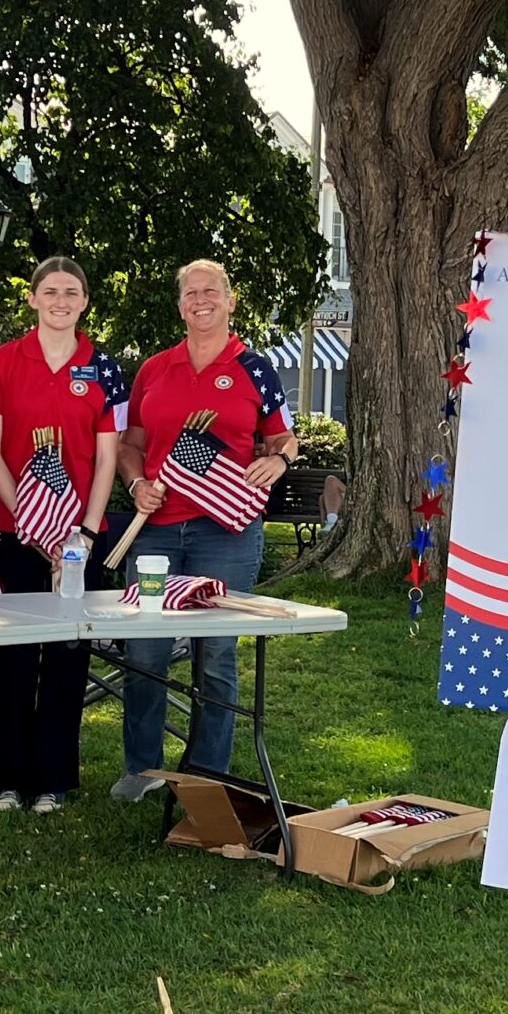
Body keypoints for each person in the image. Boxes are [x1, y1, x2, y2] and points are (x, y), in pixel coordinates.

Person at [113, 259, 297, 801]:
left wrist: (280, 463)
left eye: (211, 291)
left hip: (227, 532)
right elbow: (132, 446)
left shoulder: (255, 367)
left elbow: (283, 439)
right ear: (180, 305)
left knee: (215, 654)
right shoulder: (153, 369)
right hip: (155, 533)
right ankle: (141, 770)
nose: (200, 300)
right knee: (144, 651)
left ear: (231, 300)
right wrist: (135, 484)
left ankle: (206, 778)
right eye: (190, 292)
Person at [0, 256, 128, 814]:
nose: (61, 300)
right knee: (11, 655)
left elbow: (108, 457)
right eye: (50, 291)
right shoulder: (1, 362)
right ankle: (6, 780)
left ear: (84, 302)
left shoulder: (104, 368)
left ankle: (54, 779)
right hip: (16, 530)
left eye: (71, 292)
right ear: (33, 299)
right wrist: (31, 525)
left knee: (68, 657)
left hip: (80, 536)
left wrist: (83, 534)